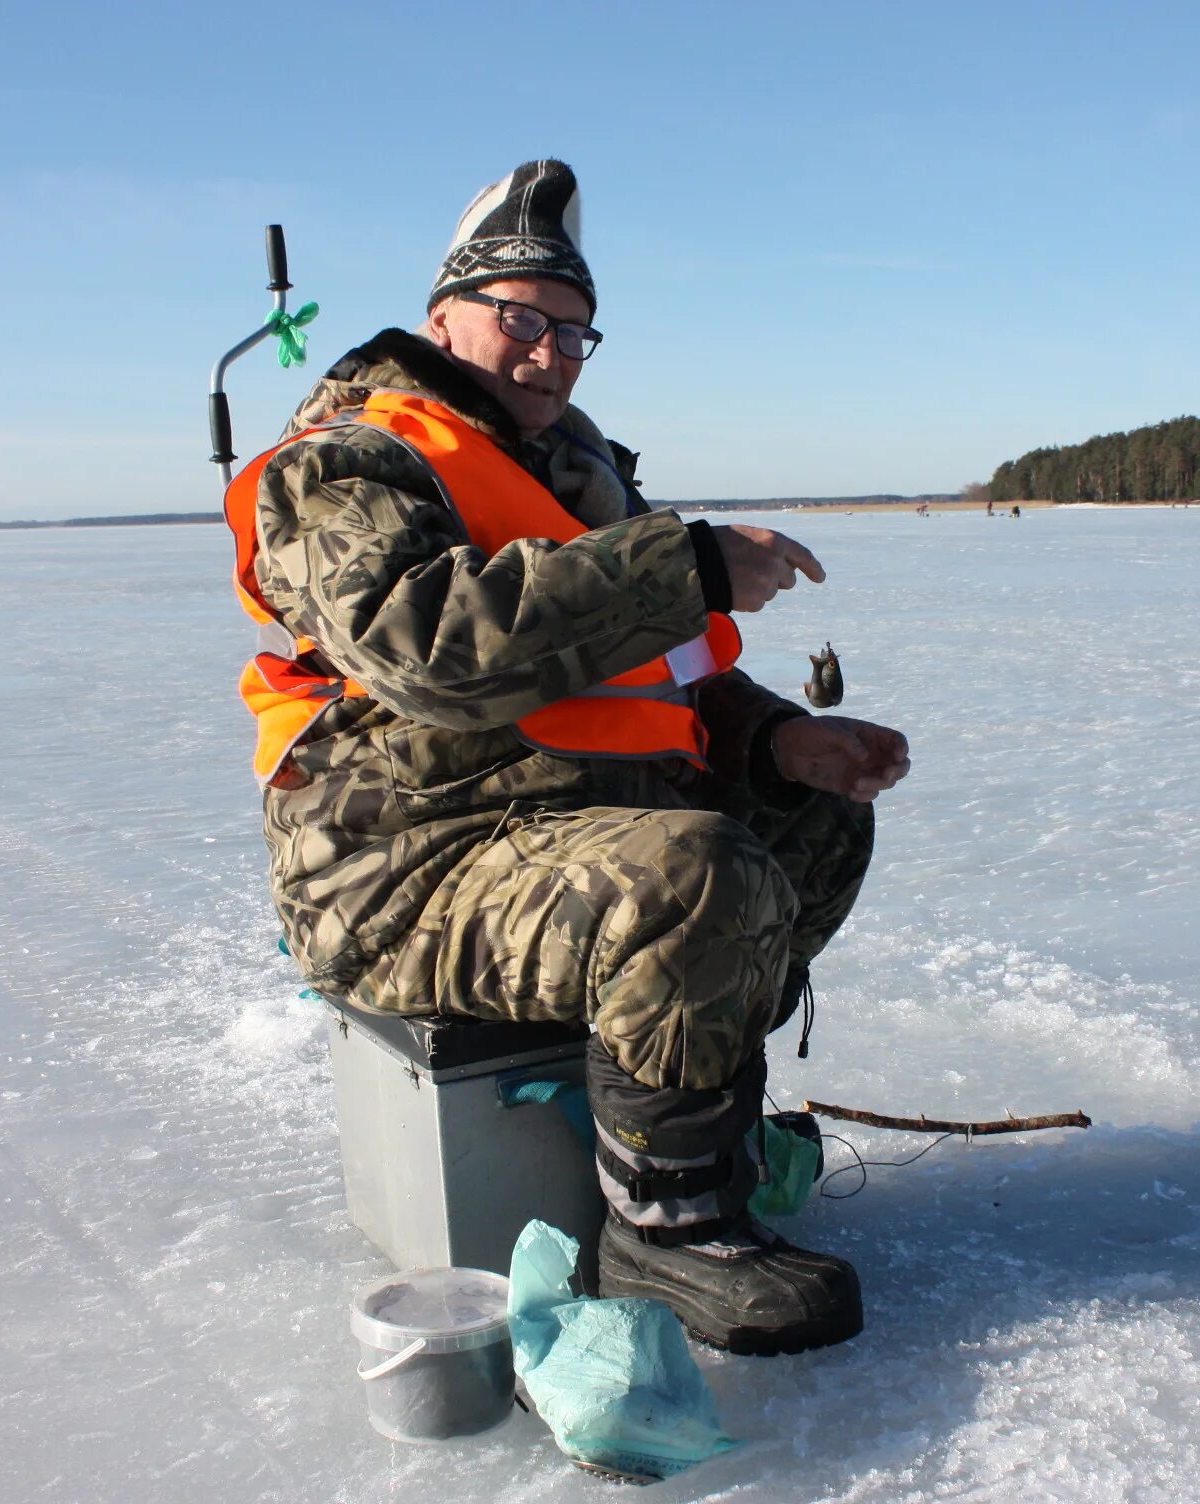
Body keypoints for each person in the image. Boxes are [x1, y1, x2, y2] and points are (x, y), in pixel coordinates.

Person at [223, 160, 909, 1356]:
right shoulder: (351, 461)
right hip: (401, 865)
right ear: (446, 319)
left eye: (576, 335)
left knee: (812, 829)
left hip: (556, 828)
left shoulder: (579, 479)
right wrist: (681, 563)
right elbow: (424, 644)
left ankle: (696, 1122)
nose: (550, 353)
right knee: (698, 876)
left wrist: (784, 738)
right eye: (522, 320)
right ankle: (668, 1223)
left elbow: (667, 676)